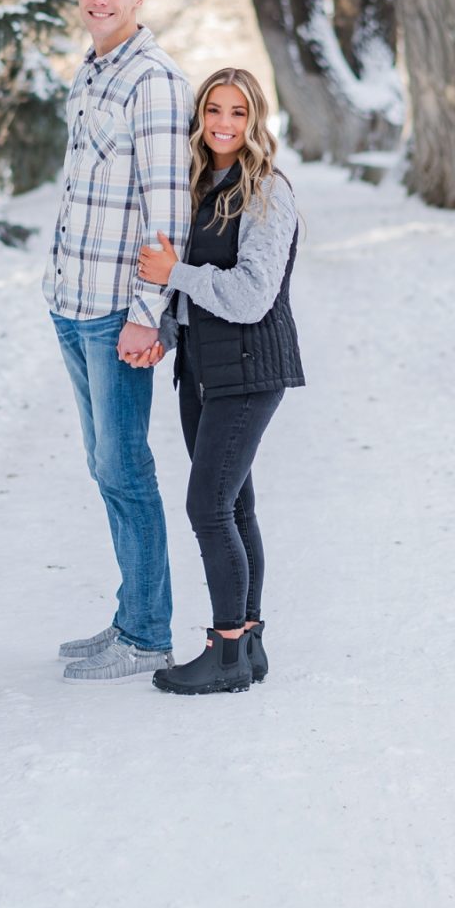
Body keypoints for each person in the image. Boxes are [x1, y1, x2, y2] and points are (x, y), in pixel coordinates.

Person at [45, 0, 193, 684]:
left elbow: (166, 213)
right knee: (106, 469)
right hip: (72, 303)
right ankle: (130, 616)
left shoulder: (155, 83)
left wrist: (146, 313)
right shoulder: (94, 69)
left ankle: (147, 637)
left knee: (126, 468)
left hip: (113, 313)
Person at [138, 67, 304, 695]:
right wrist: (167, 336)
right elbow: (199, 290)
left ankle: (226, 651)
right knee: (234, 505)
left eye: (238, 113)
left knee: (206, 507)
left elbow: (251, 297)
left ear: (255, 119)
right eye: (214, 110)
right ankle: (251, 644)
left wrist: (175, 273)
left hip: (249, 370)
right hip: (202, 371)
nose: (224, 124)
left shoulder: (266, 192)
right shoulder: (201, 184)